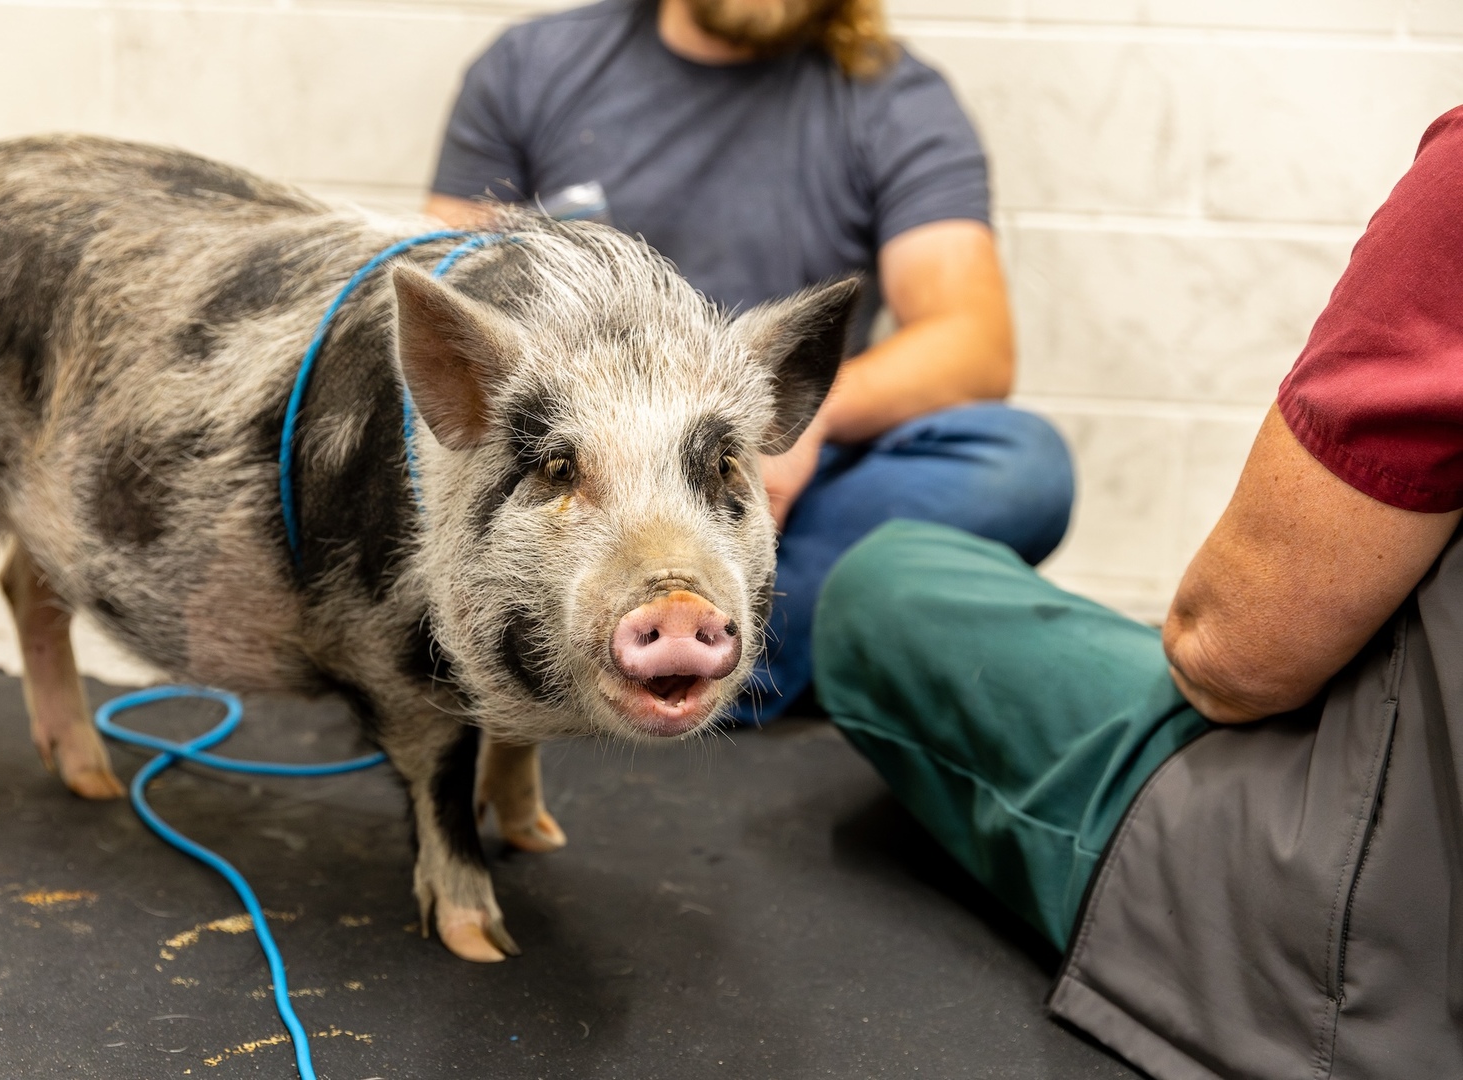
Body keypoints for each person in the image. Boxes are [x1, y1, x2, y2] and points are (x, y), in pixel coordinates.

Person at [813, 106, 1463, 1078]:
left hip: (1371, 958)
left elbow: (1227, 656)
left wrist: (793, 426)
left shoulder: (890, 102)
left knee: (910, 553)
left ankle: (705, 631)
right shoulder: (544, 75)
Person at [426, 0, 1075, 720]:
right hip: (586, 476)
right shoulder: (531, 67)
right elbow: (450, 319)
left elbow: (972, 340)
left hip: (776, 476)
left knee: (1021, 466)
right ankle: (733, 655)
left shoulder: (896, 99)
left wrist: (808, 423)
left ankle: (670, 663)